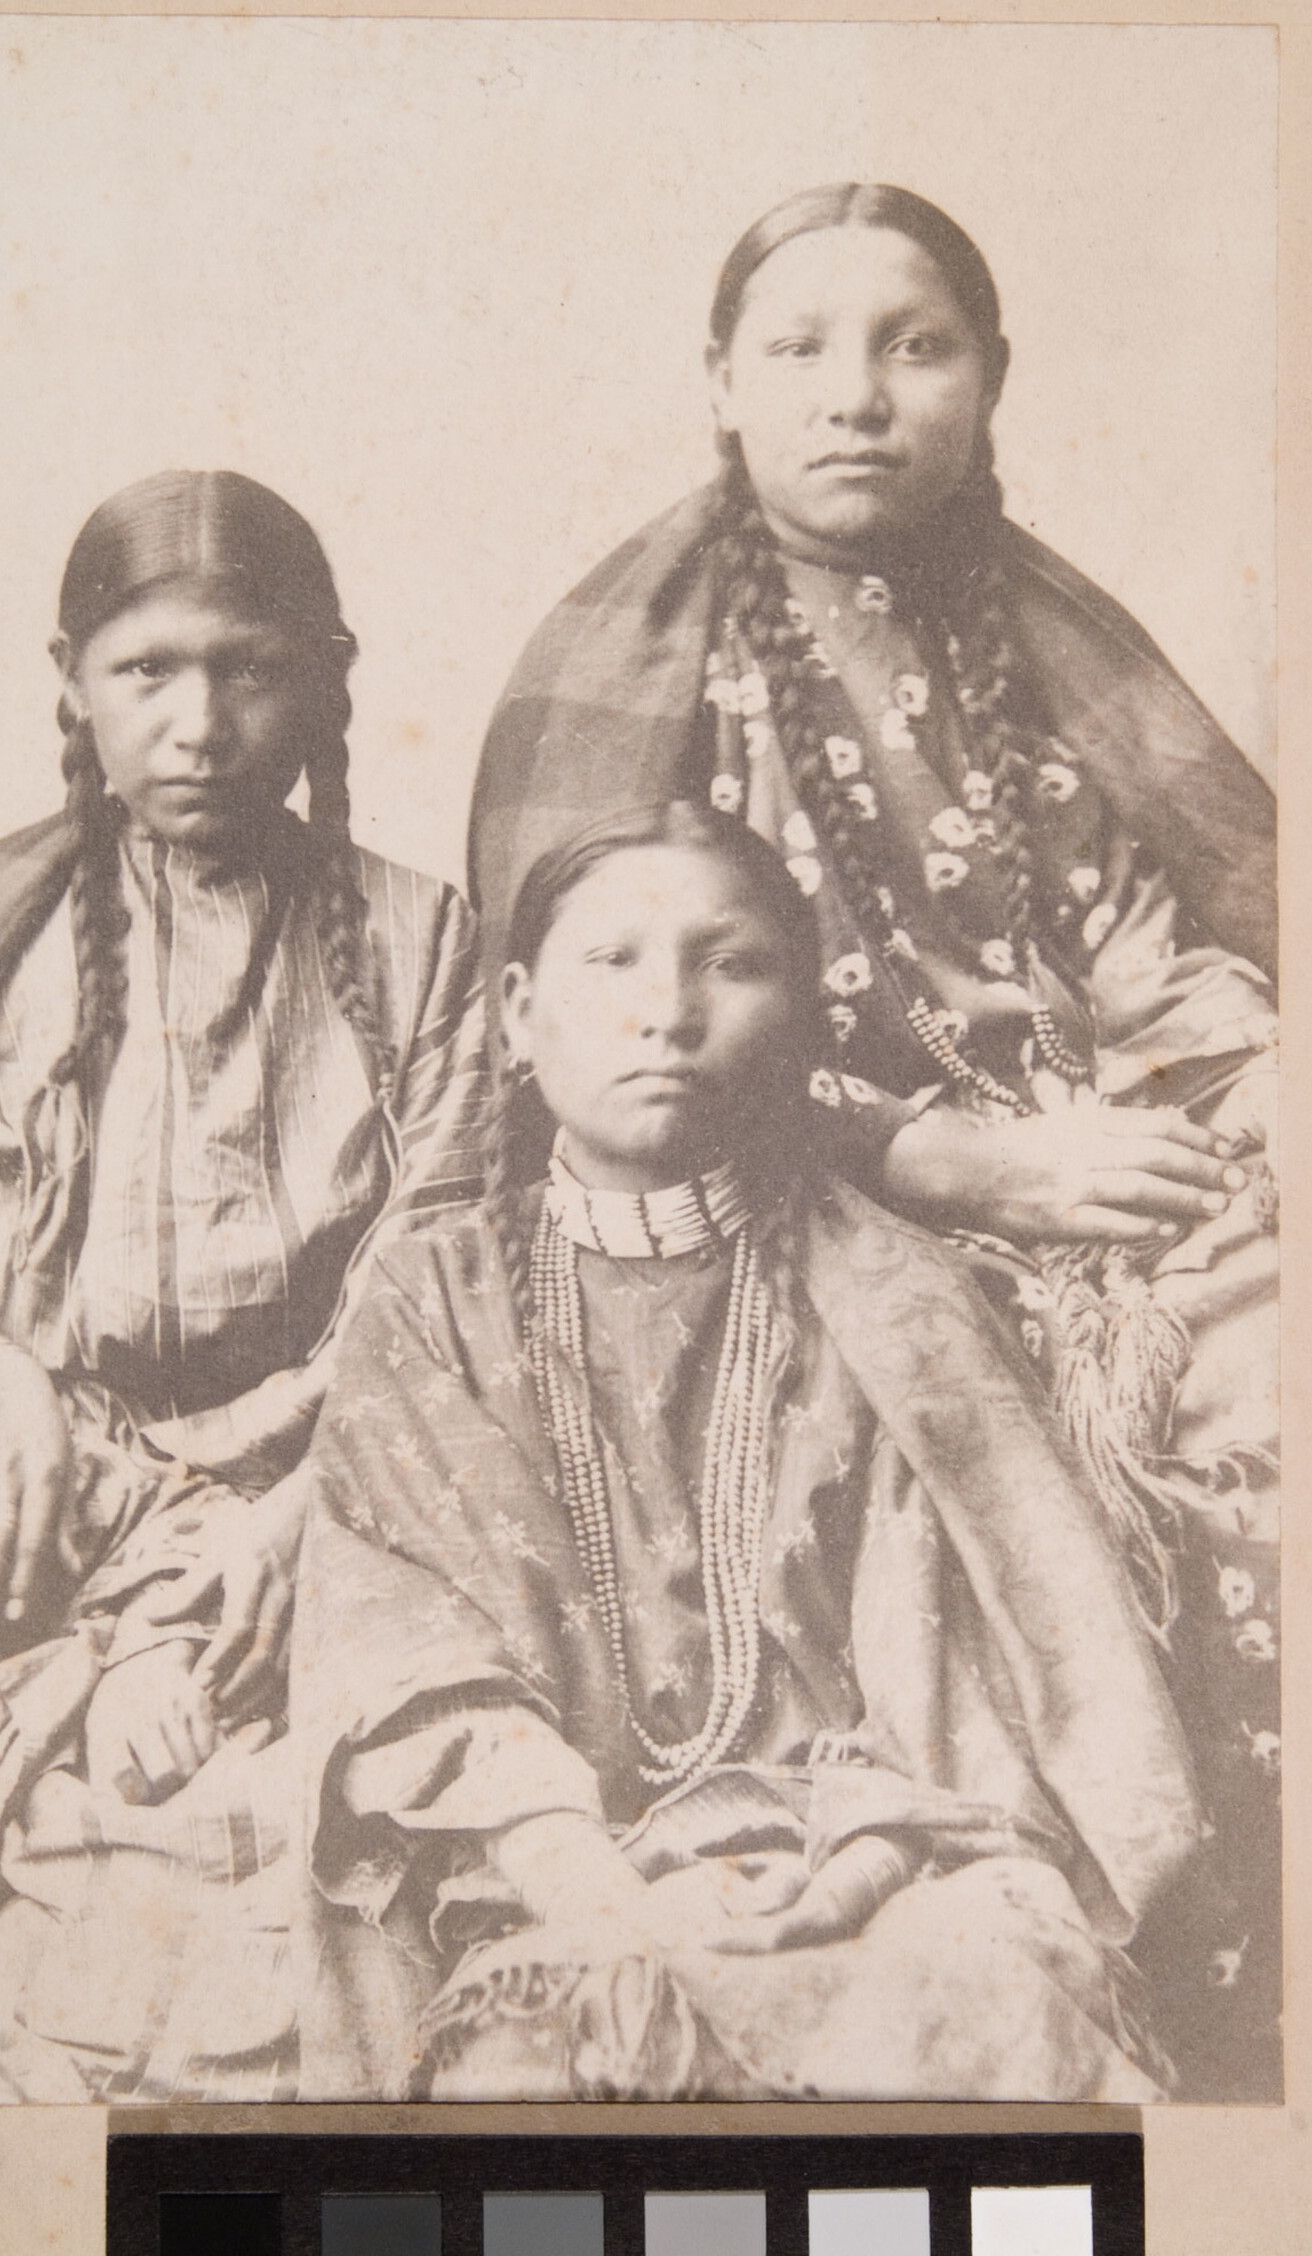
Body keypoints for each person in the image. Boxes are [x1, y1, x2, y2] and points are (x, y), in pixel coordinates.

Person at [467, 188, 1279, 2094]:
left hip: (1113, 1151)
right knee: (1016, 1446)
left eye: (917, 347)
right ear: (720, 386)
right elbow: (601, 1049)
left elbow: (1160, 948)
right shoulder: (627, 657)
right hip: (797, 1196)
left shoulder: (1044, 635)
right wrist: (952, 1168)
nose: (858, 396)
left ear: (993, 384)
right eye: (800, 349)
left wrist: (1253, 1086)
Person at [292, 801, 1200, 2104]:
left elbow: (969, 1685)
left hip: (888, 1853)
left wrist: (856, 1869)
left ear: (809, 1020)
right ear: (511, 1010)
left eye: (732, 963)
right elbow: (411, 1659)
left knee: (997, 2014)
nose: (667, 1010)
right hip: (547, 1869)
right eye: (611, 963)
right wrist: (600, 1896)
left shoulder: (891, 1293)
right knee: (542, 2066)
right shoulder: (434, 1299)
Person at [0, 469, 486, 2100]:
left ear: (327, 676)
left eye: (248, 669)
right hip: (37, 1467)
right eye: (147, 671)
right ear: (71, 682)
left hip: (341, 1476)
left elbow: (452, 1267)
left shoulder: (423, 940)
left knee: (330, 1851)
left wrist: (303, 1502)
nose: (199, 722)